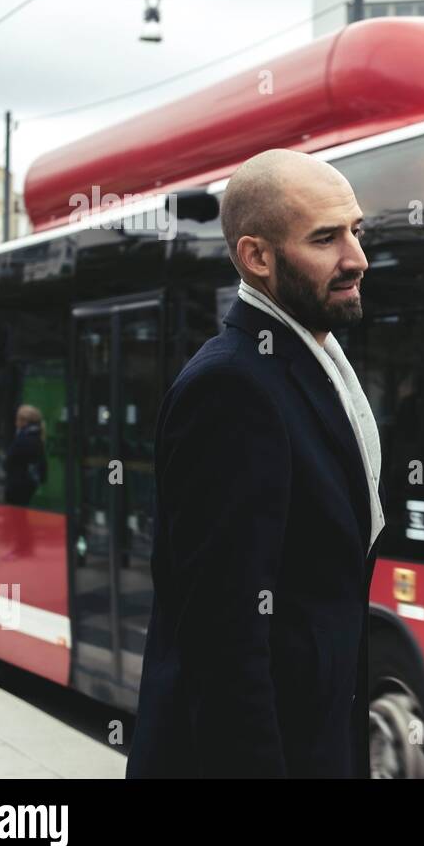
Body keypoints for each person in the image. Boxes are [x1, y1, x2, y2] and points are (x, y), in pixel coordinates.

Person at [127, 148, 382, 778]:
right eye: (325, 238)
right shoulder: (231, 389)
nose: (356, 258)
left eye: (356, 230)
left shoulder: (310, 367)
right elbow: (224, 643)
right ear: (258, 257)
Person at [4, 404, 47, 506]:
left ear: (24, 421)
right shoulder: (37, 437)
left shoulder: (23, 439)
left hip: (17, 486)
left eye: (17, 419)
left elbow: (8, 462)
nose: (15, 423)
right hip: (29, 484)